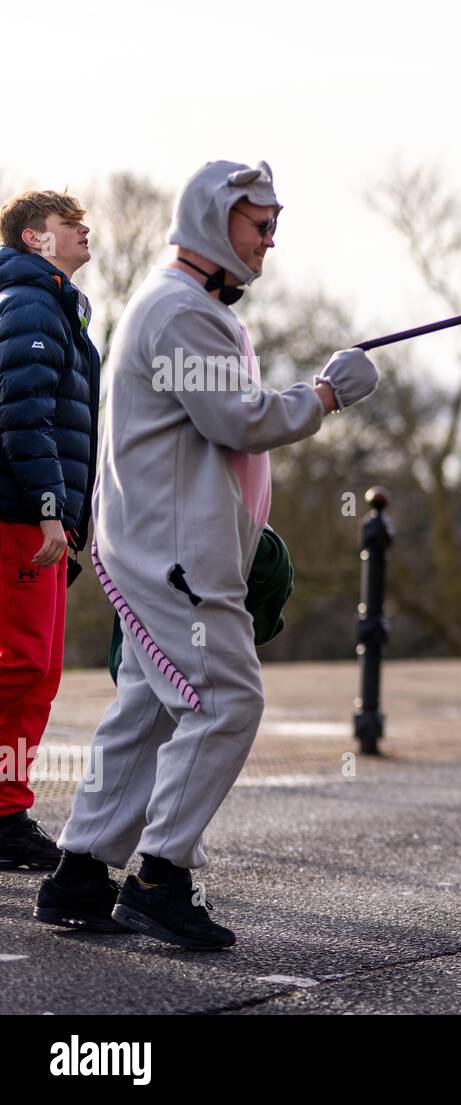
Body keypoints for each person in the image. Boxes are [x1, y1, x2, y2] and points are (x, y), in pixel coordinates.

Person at [33, 160, 379, 949]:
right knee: (227, 701)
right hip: (177, 554)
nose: (269, 242)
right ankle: (160, 876)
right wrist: (326, 394)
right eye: (259, 225)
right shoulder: (184, 311)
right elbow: (239, 420)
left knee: (147, 710)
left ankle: (79, 874)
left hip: (166, 546)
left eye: (272, 226)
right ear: (215, 223)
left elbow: (224, 414)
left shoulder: (182, 307)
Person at [0, 190, 98, 870]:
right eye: (72, 224)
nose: (86, 232)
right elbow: (20, 412)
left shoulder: (53, 303)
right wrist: (47, 507)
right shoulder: (33, 304)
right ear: (36, 238)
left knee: (36, 671)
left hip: (38, 514)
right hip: (19, 515)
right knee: (21, 666)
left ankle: (8, 809)